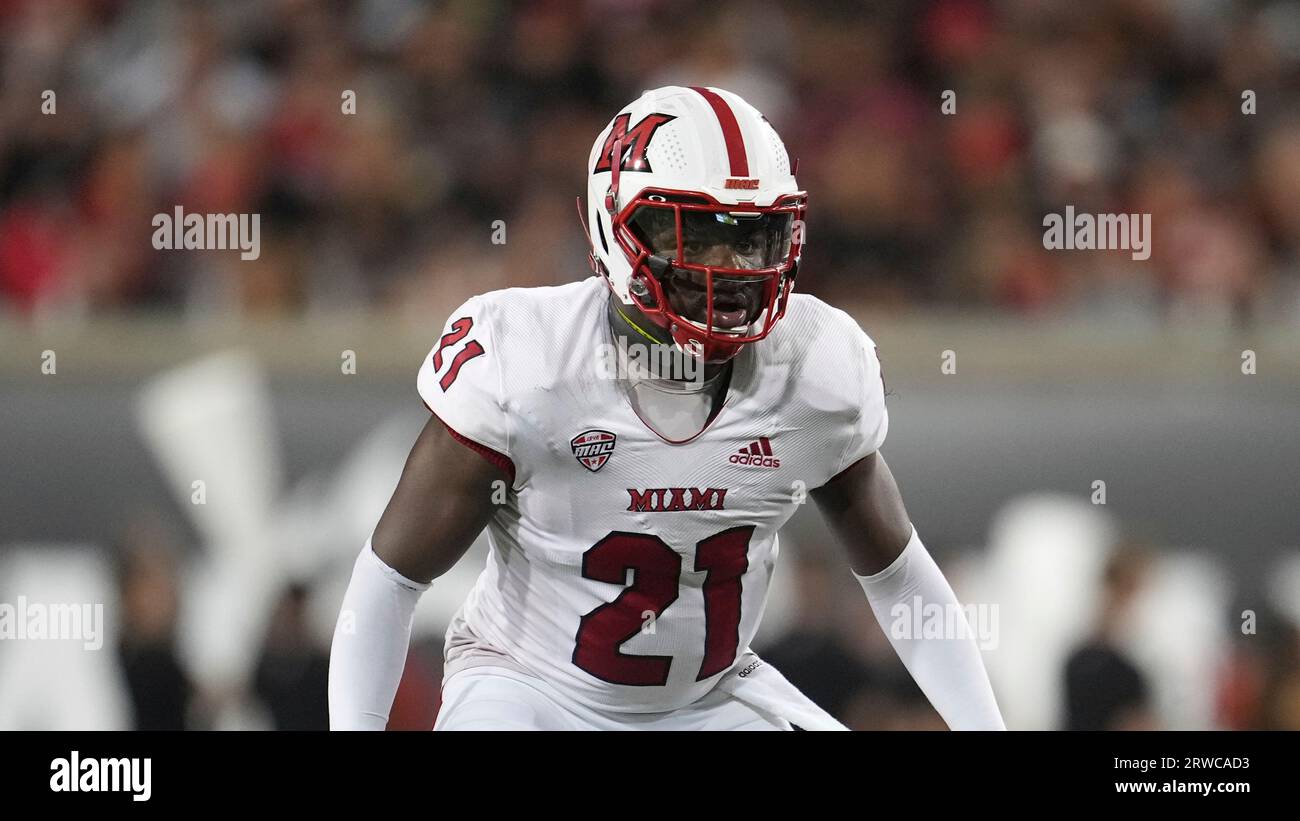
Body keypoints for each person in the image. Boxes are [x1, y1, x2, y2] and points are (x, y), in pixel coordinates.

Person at [328, 86, 1004, 731]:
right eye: (698, 234)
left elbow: (898, 574)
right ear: (615, 227)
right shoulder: (523, 364)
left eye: (750, 236)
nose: (732, 266)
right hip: (531, 689)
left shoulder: (816, 369)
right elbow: (389, 579)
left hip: (712, 699)